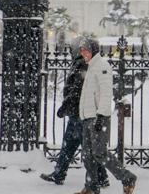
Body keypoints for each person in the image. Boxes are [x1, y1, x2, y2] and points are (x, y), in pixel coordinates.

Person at [72, 38, 137, 194]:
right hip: (88, 117)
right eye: (81, 51)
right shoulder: (91, 67)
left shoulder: (102, 66)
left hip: (97, 117)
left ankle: (127, 177)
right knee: (87, 155)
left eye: (85, 50)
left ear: (93, 50)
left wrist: (101, 116)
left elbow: (106, 93)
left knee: (100, 153)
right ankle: (91, 188)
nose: (83, 53)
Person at [40, 36, 107, 186]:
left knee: (86, 148)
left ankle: (101, 177)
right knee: (70, 146)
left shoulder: (82, 65)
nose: (75, 50)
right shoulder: (82, 63)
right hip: (77, 113)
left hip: (80, 113)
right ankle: (59, 174)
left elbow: (77, 90)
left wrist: (65, 106)